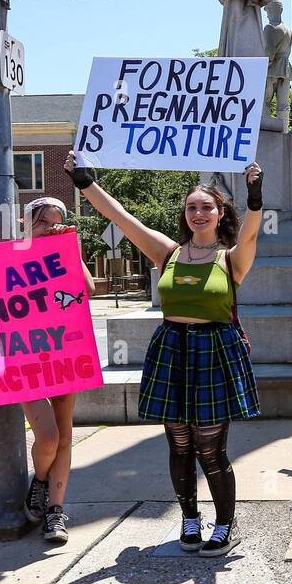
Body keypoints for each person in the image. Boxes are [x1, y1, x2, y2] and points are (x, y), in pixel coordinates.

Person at [65, 150, 264, 557]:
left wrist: (256, 197)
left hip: (213, 351)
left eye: (206, 207)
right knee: (178, 443)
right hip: (172, 347)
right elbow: (122, 218)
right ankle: (190, 519)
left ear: (220, 212)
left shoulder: (231, 260)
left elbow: (250, 235)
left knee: (210, 448)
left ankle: (225, 524)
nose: (198, 213)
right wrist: (86, 182)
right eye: (192, 207)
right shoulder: (168, 253)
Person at [0, 196, 96, 544]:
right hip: (23, 358)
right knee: (48, 438)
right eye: (45, 221)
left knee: (64, 434)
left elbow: (87, 290)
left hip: (63, 350)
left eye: (58, 222)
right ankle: (40, 482)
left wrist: (69, 246)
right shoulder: (5, 259)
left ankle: (55, 512)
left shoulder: (64, 255)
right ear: (25, 222)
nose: (51, 228)